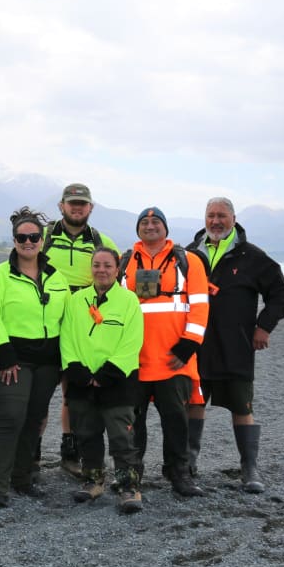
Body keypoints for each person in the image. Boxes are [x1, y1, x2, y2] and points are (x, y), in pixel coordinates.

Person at [185, 197, 284, 493]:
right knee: (194, 402)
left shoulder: (252, 256)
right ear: (204, 219)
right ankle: (188, 462)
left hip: (237, 346)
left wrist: (263, 327)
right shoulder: (190, 254)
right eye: (210, 216)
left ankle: (249, 468)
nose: (215, 221)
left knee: (242, 406)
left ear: (233, 218)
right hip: (196, 344)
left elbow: (280, 295)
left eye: (221, 215)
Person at [0, 207, 69, 507]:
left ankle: (22, 478)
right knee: (10, 416)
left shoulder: (58, 278)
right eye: (22, 237)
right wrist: (4, 356)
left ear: (42, 240)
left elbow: (67, 320)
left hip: (47, 361)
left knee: (34, 418)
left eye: (33, 236)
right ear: (14, 239)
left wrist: (65, 362)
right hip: (11, 358)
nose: (28, 242)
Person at [120, 207, 209, 497]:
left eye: (155, 221)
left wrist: (190, 343)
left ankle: (178, 472)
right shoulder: (125, 262)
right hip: (135, 359)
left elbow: (199, 304)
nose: (149, 226)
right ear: (137, 230)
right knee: (134, 422)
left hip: (175, 359)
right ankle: (132, 474)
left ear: (166, 228)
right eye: (144, 222)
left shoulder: (189, 261)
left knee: (176, 420)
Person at [42, 183, 119, 478]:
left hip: (84, 327)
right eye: (71, 203)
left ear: (91, 208)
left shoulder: (102, 241)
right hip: (46, 325)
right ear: (61, 205)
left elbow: (113, 286)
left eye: (82, 203)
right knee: (40, 393)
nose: (77, 207)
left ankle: (70, 453)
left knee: (72, 393)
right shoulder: (44, 237)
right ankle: (32, 455)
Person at [60, 247, 144, 513]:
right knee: (87, 434)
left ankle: (129, 487)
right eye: (97, 265)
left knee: (122, 437)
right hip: (82, 381)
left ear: (117, 270)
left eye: (108, 265)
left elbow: (132, 341)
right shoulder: (77, 300)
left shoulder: (129, 301)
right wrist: (77, 370)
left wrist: (107, 374)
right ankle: (93, 481)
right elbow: (67, 337)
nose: (101, 270)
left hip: (117, 381)